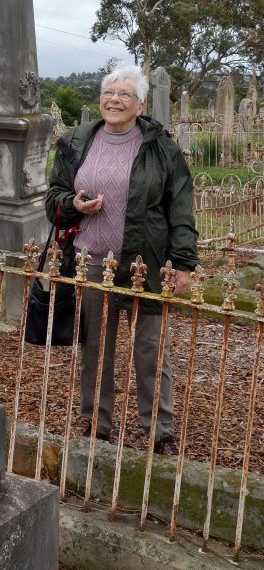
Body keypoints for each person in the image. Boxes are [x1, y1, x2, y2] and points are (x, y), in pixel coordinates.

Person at [45, 64, 197, 453]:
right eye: (108, 93)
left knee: (151, 351)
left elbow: (180, 206)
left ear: (140, 105)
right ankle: (96, 425)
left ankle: (159, 432)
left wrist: (183, 263)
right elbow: (54, 198)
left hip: (146, 265)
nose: (114, 100)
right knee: (95, 350)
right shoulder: (77, 141)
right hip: (92, 262)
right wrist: (73, 204)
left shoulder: (160, 147)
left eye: (124, 94)